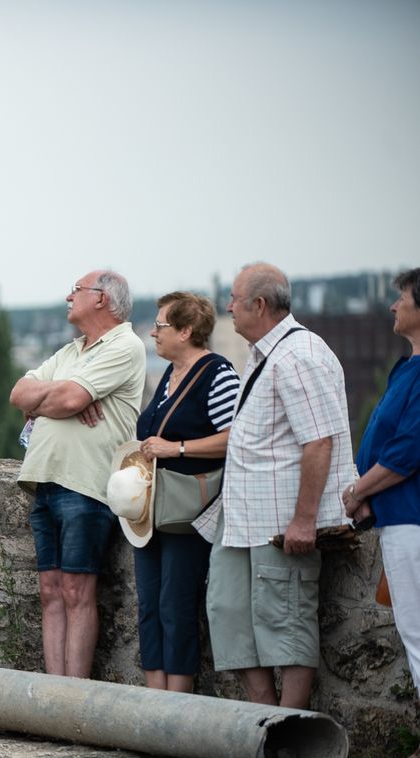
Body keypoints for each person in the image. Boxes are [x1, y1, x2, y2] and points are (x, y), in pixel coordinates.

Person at [198, 262, 352, 709]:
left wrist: (304, 520)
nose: (227, 307)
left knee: (285, 622)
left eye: (234, 299)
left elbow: (319, 441)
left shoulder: (298, 353)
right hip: (243, 520)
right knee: (228, 614)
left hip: (281, 522)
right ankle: (266, 719)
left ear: (259, 305)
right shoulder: (267, 354)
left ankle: (292, 727)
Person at [10, 270, 146, 679]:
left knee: (76, 592)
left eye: (77, 290)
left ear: (102, 299)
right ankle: (55, 695)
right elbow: (18, 393)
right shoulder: (72, 351)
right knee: (51, 592)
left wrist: (60, 396)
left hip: (84, 485)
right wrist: (66, 395)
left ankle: (75, 696)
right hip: (45, 481)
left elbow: (69, 397)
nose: (69, 296)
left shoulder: (125, 345)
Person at [130, 293, 239, 692]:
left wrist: (176, 448)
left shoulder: (218, 374)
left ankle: (178, 709)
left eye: (160, 326)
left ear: (186, 331)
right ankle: (154, 699)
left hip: (189, 510)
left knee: (176, 606)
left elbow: (235, 437)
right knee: (149, 607)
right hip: (153, 509)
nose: (154, 333)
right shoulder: (169, 375)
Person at [343, 267, 420, 704]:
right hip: (399, 518)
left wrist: (358, 492)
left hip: (413, 517)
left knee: (417, 633)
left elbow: (406, 454)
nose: (393, 305)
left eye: (403, 298)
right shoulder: (406, 368)